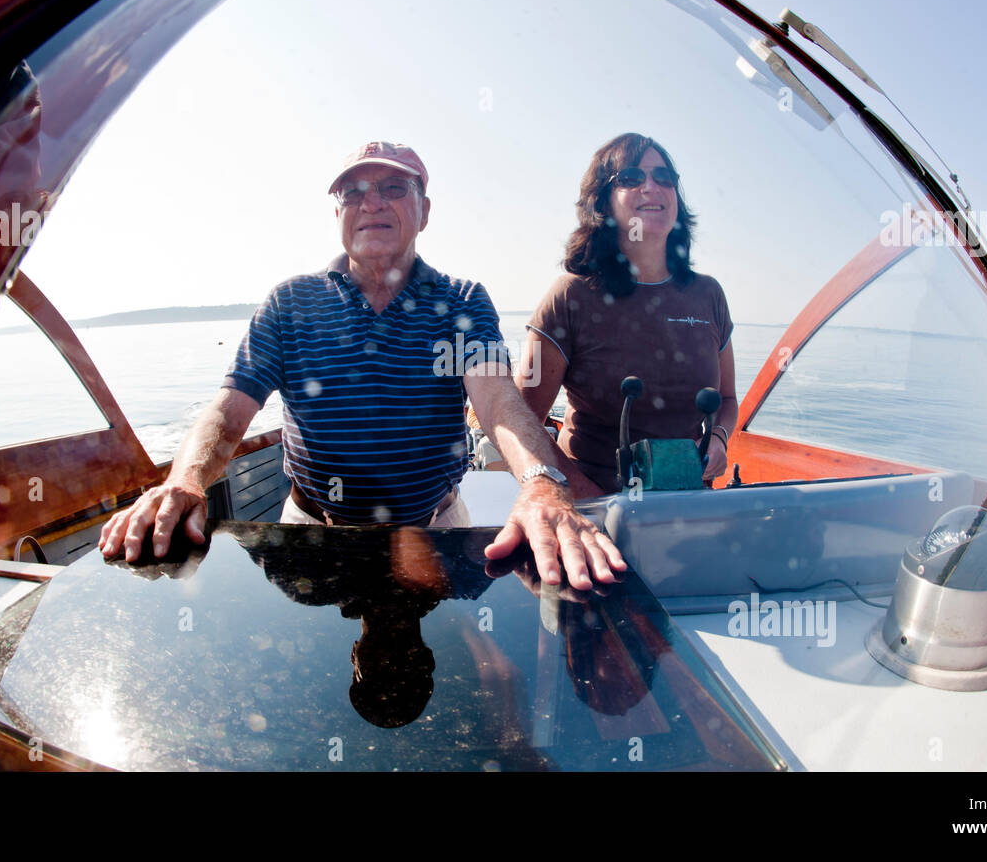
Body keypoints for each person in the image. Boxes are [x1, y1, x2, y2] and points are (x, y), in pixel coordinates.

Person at [99, 141, 624, 590]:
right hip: (310, 530)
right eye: (353, 192)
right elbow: (230, 409)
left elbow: (497, 402)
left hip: (436, 528)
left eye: (394, 189)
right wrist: (186, 481)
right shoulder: (289, 303)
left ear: (425, 210)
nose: (370, 202)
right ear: (337, 213)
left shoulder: (462, 300)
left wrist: (539, 482)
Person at [516, 133, 737, 496]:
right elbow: (523, 426)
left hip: (690, 507)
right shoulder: (570, 296)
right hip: (593, 514)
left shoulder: (709, 294)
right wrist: (591, 499)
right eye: (631, 178)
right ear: (603, 201)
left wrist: (718, 438)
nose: (652, 186)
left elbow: (727, 400)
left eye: (664, 177)